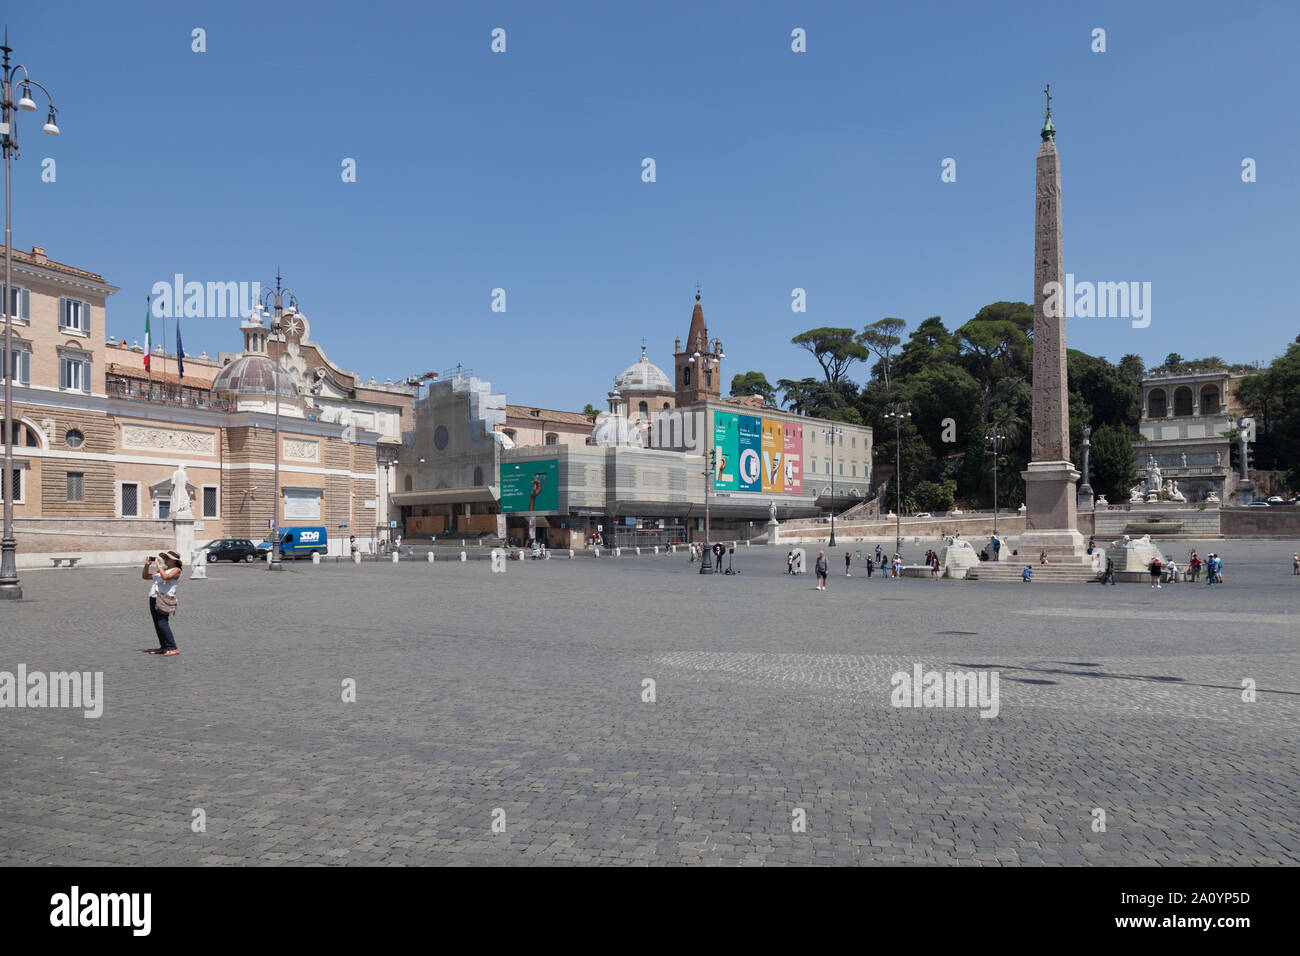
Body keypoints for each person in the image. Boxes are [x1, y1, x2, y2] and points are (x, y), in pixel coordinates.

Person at [143, 550, 183, 656]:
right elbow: (145, 576)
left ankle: (173, 647)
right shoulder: (163, 570)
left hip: (165, 599)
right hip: (154, 598)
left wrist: (159, 566)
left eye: (167, 558)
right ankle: (164, 647)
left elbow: (166, 577)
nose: (165, 560)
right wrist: (147, 565)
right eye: (164, 558)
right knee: (157, 624)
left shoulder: (176, 570)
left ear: (174, 561)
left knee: (162, 623)